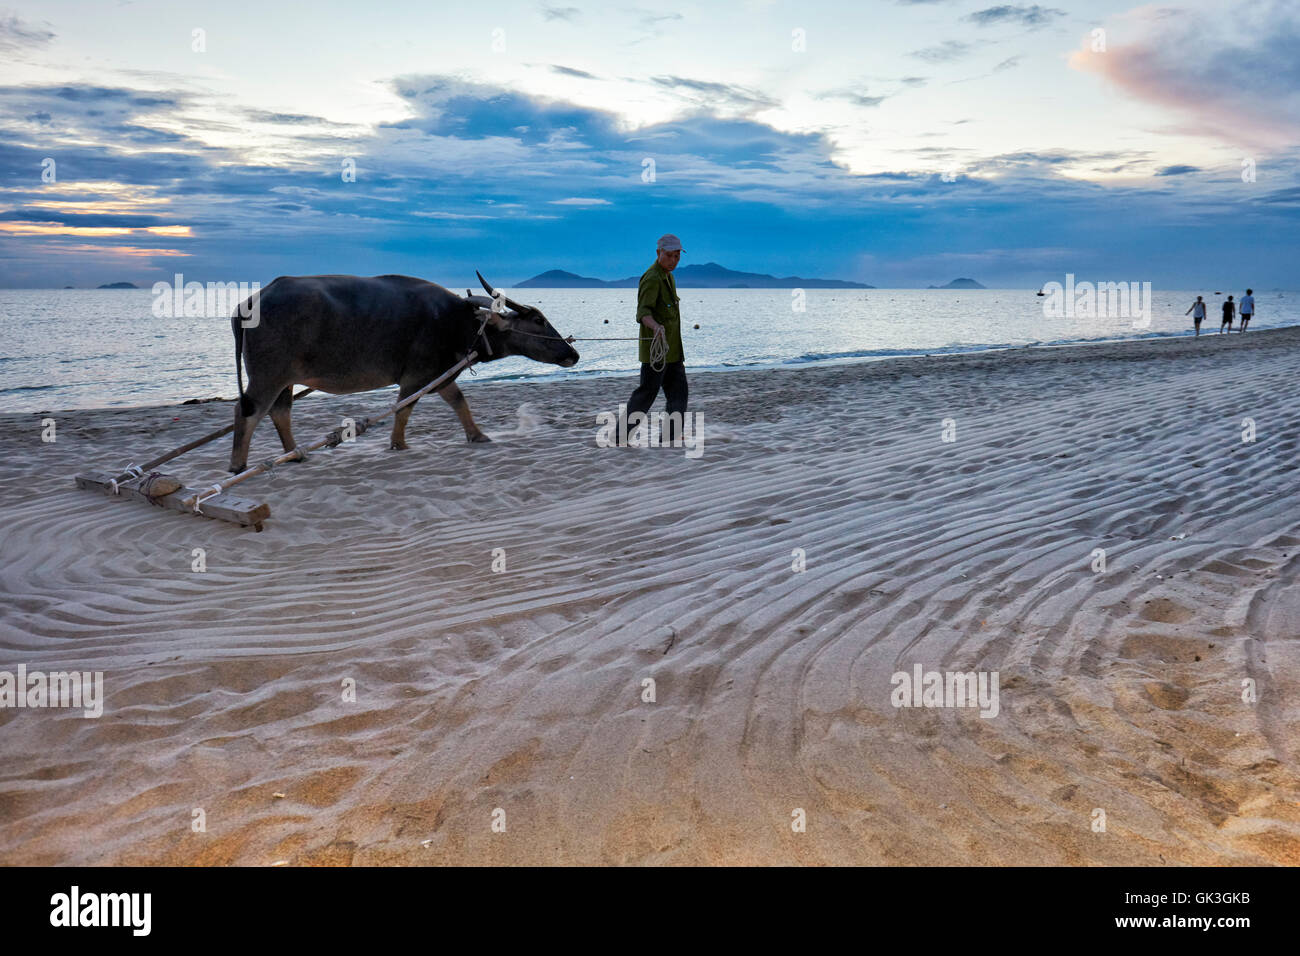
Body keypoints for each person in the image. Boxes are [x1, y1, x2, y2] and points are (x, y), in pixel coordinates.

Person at [625, 234, 687, 444]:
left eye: (677, 256)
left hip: (674, 350)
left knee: (679, 394)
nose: (674, 260)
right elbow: (643, 313)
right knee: (646, 394)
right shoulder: (651, 278)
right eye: (669, 256)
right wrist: (656, 327)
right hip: (657, 351)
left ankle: (671, 436)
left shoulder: (669, 277)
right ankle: (619, 436)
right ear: (658, 253)